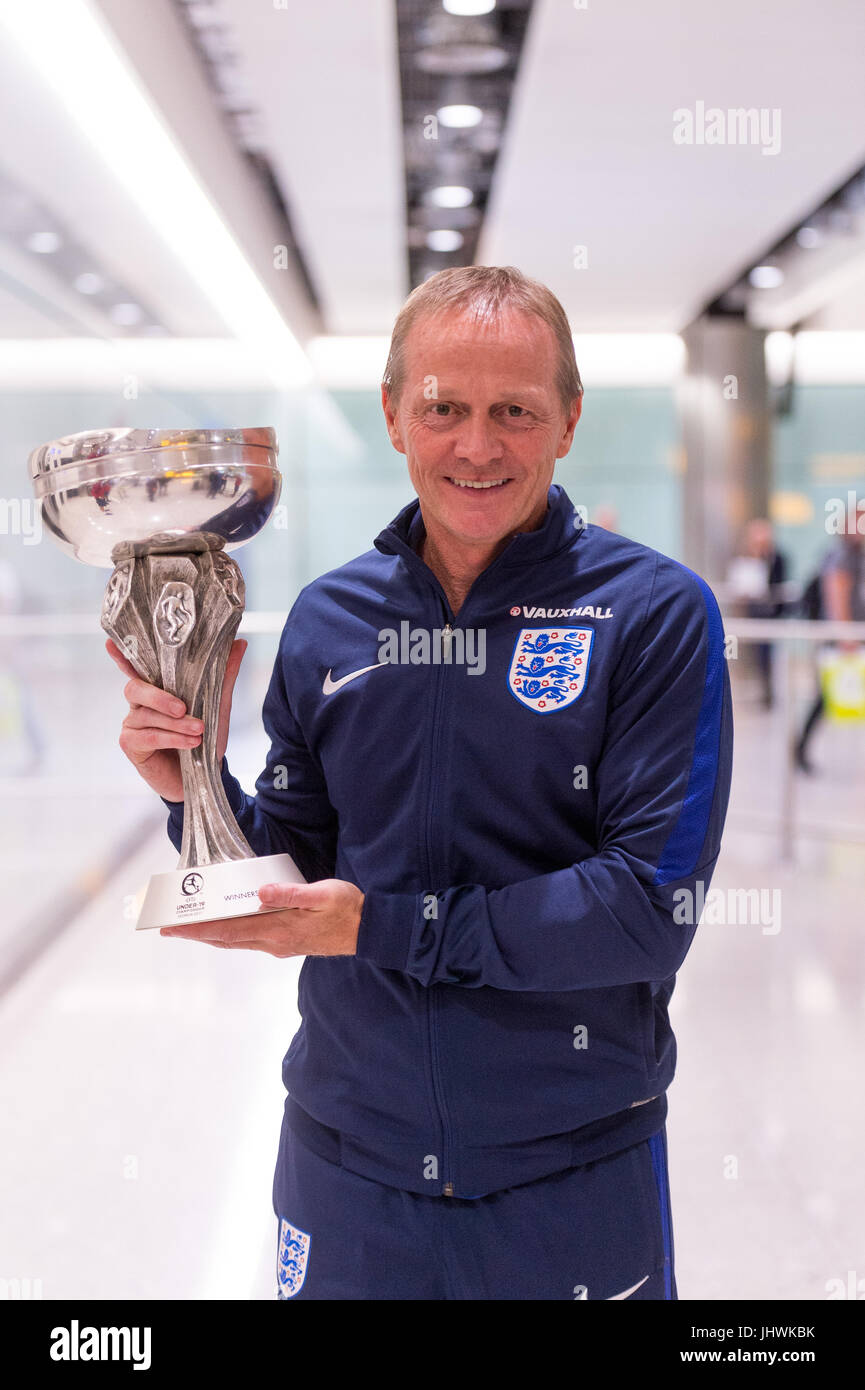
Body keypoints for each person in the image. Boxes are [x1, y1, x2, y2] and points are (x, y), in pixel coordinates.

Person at [106, 265, 733, 1301]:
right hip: (347, 1165)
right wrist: (191, 787)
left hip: (567, 1173)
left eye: (513, 412)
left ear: (568, 420)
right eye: (443, 407)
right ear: (395, 413)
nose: (476, 445)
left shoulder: (654, 614)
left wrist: (384, 927)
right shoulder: (329, 618)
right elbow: (302, 856)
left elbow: (643, 910)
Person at [795, 508, 865, 773]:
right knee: (825, 696)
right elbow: (836, 594)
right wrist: (845, 635)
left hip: (854, 635)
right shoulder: (842, 554)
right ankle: (800, 747)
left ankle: (800, 747)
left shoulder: (856, 554)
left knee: (827, 695)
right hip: (843, 639)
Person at [726, 518, 788, 708]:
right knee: (753, 654)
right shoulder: (743, 558)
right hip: (752, 612)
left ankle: (769, 693)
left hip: (770, 614)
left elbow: (777, 583)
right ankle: (760, 689)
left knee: (767, 655)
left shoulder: (777, 558)